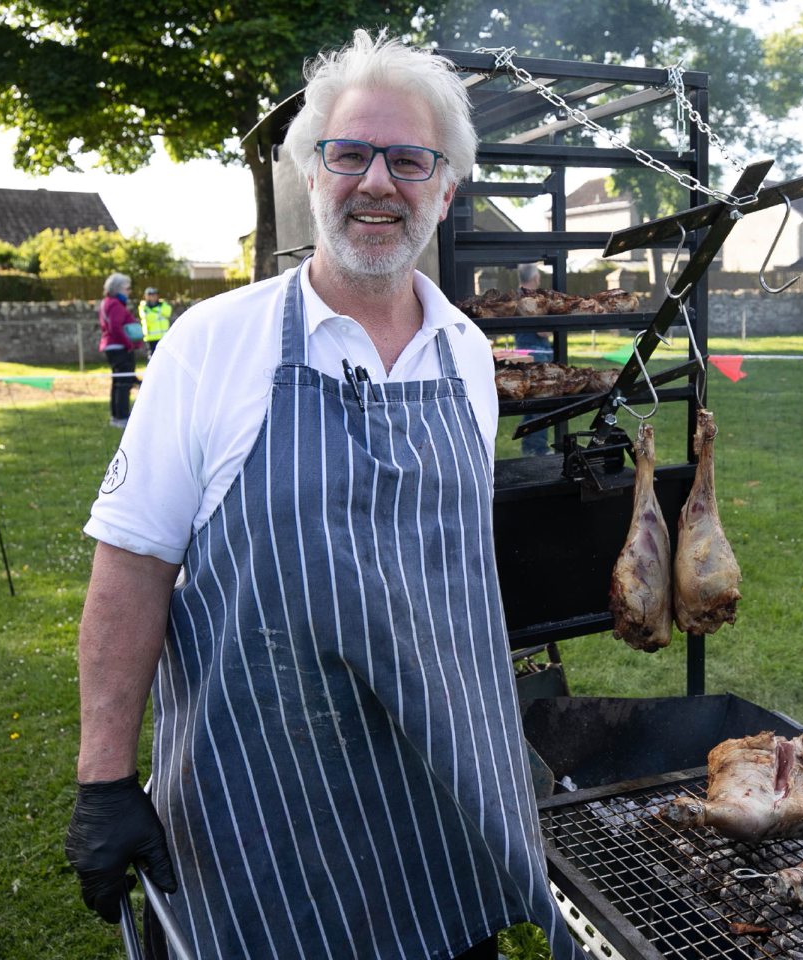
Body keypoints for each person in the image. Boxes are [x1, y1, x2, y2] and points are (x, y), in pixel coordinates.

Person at [64, 31, 582, 960]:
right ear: (313, 173)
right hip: (263, 819)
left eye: (410, 159)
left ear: (446, 189)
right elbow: (132, 563)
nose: (377, 182)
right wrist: (105, 777)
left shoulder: (467, 351)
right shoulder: (212, 343)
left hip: (440, 807)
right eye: (349, 153)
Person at [514, 263, 552, 455]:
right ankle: (537, 449)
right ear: (536, 278)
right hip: (538, 353)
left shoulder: (515, 297)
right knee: (541, 405)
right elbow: (543, 330)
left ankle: (528, 447)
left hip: (522, 352)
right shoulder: (532, 300)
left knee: (531, 405)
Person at [97, 272, 140, 427]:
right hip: (119, 347)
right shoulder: (114, 304)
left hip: (112, 346)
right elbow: (115, 327)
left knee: (118, 382)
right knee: (123, 383)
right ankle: (121, 417)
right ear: (118, 289)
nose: (129, 292)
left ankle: (116, 417)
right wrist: (129, 344)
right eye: (127, 288)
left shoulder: (107, 302)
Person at [136, 287, 173, 356]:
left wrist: (153, 312)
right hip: (150, 337)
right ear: (146, 296)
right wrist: (159, 312)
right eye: (150, 295)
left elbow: (168, 312)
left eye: (155, 295)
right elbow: (149, 318)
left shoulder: (163, 304)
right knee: (152, 357)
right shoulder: (143, 307)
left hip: (163, 336)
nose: (153, 297)